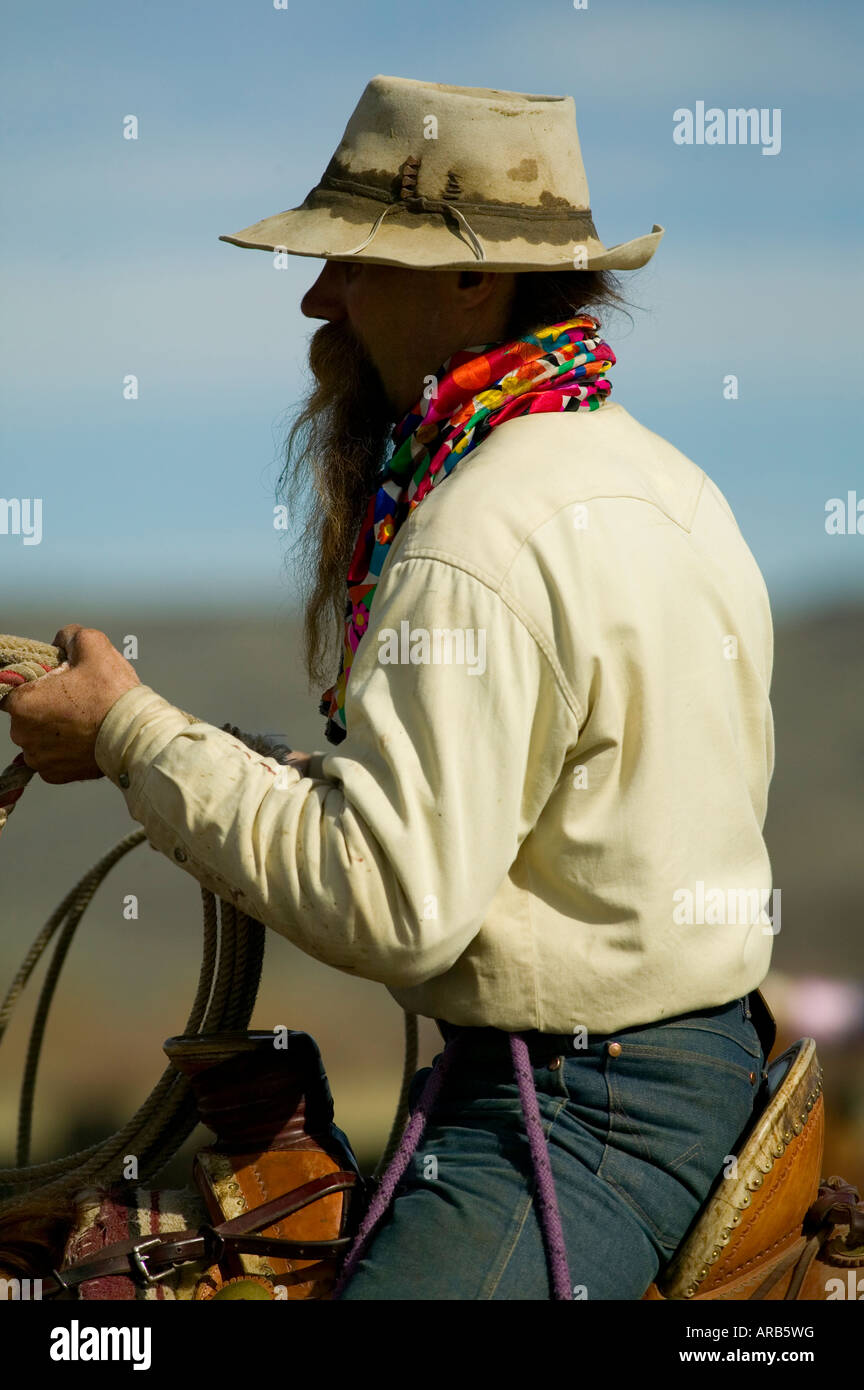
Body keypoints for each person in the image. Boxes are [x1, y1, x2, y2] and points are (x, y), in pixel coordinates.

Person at [1, 75, 776, 1300]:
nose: (317, 298)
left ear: (474, 280)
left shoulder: (477, 536)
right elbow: (502, 817)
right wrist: (193, 752)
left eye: (354, 261)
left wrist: (129, 734)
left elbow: (394, 903)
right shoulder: (676, 489)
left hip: (578, 1115)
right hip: (690, 1065)